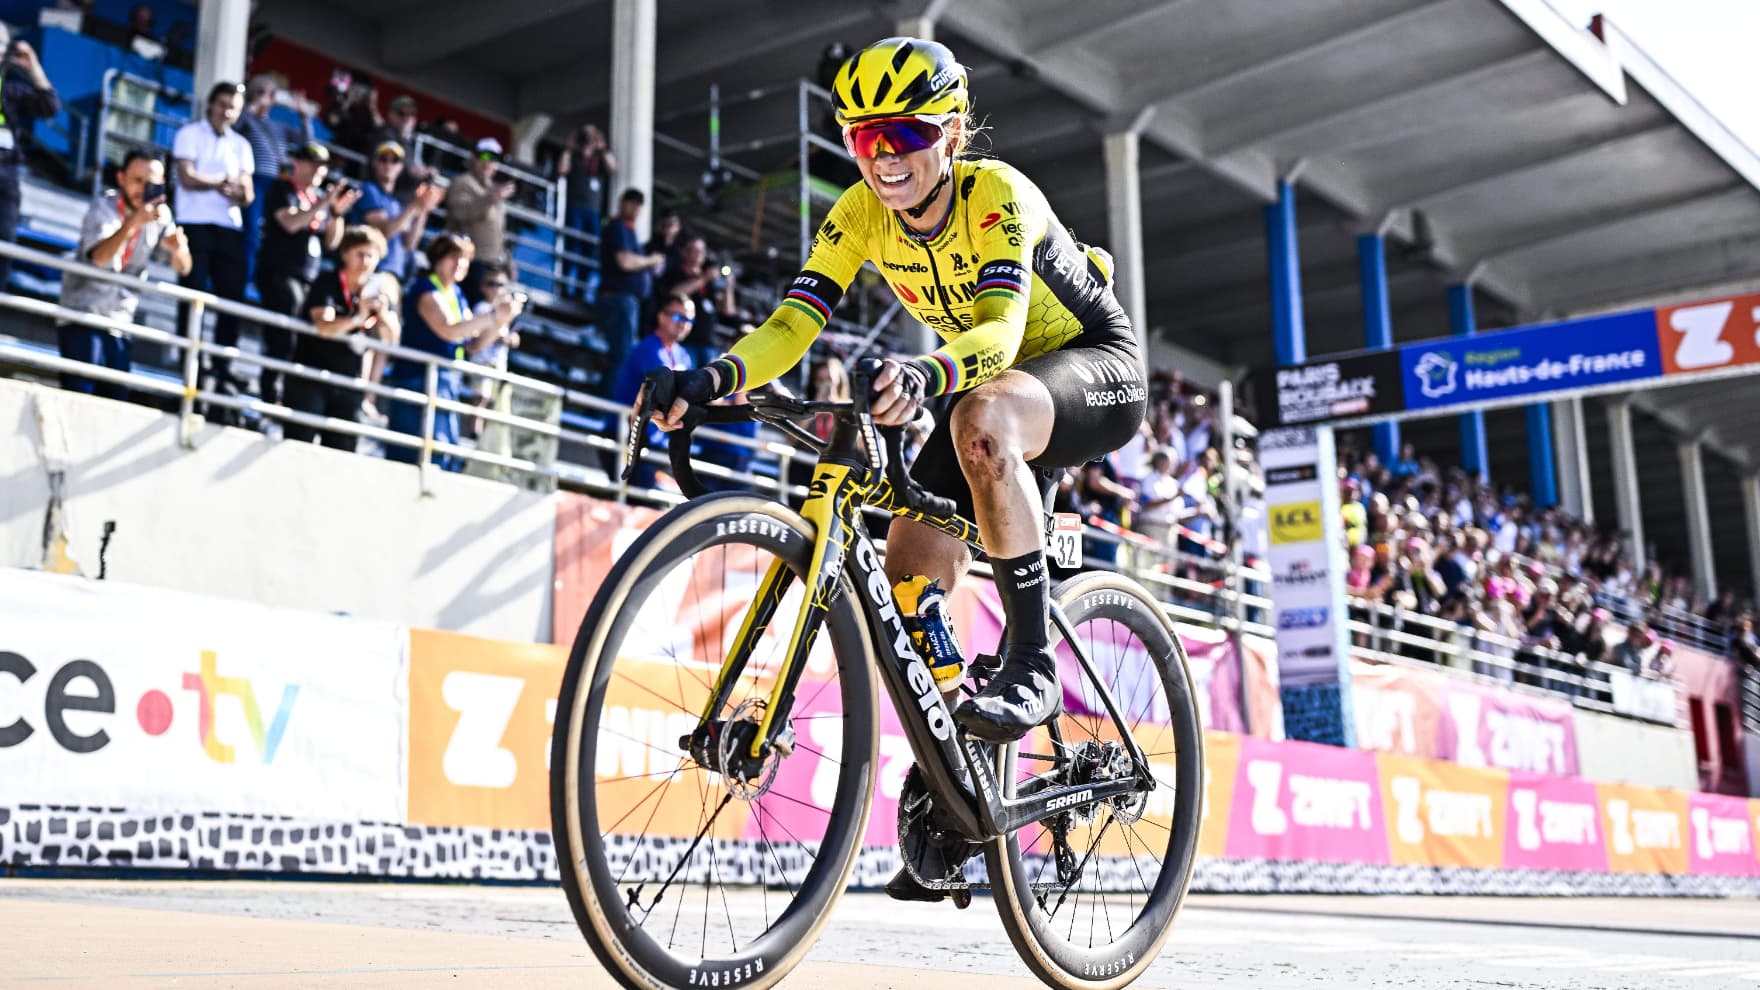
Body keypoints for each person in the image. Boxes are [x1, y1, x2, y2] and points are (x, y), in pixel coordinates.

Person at [642, 38, 1144, 760]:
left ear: (953, 134)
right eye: (864, 137)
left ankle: (1032, 661)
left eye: (908, 133)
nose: (885, 155)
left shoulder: (998, 194)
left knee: (982, 413)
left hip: (1091, 366)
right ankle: (952, 785)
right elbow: (790, 325)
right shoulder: (859, 213)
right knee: (906, 577)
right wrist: (711, 378)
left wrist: (920, 374)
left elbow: (1000, 335)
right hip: (985, 384)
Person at [57, 150, 192, 398]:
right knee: (79, 400)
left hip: (120, 324)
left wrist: (179, 249)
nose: (143, 189)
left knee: (115, 403)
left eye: (151, 183)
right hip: (83, 316)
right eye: (137, 180)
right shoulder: (104, 206)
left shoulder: (161, 216)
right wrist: (132, 224)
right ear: (121, 178)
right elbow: (99, 257)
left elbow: (184, 268)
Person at [384, 234, 522, 471]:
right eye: (453, 257)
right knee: (409, 457)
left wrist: (501, 320)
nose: (460, 263)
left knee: (443, 455)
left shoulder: (457, 295)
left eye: (465, 259)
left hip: (447, 382)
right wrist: (492, 316)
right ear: (438, 258)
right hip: (417, 379)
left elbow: (474, 344)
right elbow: (448, 331)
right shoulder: (425, 288)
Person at [255, 143, 359, 406]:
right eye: (312, 164)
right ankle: (271, 394)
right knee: (282, 337)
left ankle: (287, 394)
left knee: (300, 340)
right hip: (280, 272)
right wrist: (324, 203)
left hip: (307, 277)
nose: (318, 171)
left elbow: (333, 242)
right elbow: (289, 223)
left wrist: (335, 213)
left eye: (322, 167)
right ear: (297, 163)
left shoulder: (316, 199)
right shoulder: (283, 189)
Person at [172, 81, 254, 392]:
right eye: (221, 104)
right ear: (210, 104)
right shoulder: (189, 134)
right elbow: (187, 177)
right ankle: (187, 358)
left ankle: (223, 366)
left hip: (229, 229)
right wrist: (223, 182)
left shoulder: (242, 146)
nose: (226, 111)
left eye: (232, 106)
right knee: (193, 294)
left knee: (231, 299)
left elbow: (247, 193)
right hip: (194, 224)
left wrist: (238, 189)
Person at [288, 225, 391, 449]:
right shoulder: (327, 281)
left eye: (371, 255)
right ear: (345, 254)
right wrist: (358, 317)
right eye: (359, 254)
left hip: (348, 383)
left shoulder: (376, 292)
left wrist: (383, 314)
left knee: (342, 452)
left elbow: (391, 339)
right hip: (311, 376)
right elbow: (324, 327)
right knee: (298, 446)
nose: (365, 261)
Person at [235, 75, 314, 290]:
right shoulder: (247, 119)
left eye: (270, 94)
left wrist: (304, 115)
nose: (266, 97)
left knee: (270, 233)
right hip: (256, 180)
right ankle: (246, 277)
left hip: (277, 183)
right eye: (261, 92)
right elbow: (233, 127)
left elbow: (305, 142)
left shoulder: (278, 126)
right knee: (251, 230)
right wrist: (250, 107)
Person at [614, 293, 697, 490]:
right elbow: (669, 392)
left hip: (658, 443)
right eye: (678, 317)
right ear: (661, 316)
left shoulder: (684, 355)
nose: (683, 324)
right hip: (629, 438)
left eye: (689, 319)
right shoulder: (647, 349)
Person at [0, 28, 60, 289]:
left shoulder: (11, 89)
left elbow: (50, 106)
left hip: (6, 174)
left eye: (1, 42)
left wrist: (33, 68)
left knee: (4, 242)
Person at [351, 140, 444, 283]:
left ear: (400, 167)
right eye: (383, 159)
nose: (388, 165)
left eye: (394, 160)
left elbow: (409, 243)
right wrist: (414, 205)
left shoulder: (396, 204)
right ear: (375, 162)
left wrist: (424, 208)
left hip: (394, 275)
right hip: (371, 270)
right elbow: (384, 231)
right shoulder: (368, 190)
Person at [598, 188, 666, 375]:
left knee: (623, 357)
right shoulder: (617, 227)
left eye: (639, 203)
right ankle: (609, 402)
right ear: (623, 203)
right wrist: (652, 260)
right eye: (632, 202)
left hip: (626, 301)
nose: (636, 207)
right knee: (621, 358)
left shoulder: (629, 230)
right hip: (618, 300)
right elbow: (625, 262)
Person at [443, 137, 515, 303]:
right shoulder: (462, 182)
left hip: (493, 266)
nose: (487, 162)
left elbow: (499, 232)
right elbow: (459, 213)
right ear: (473, 158)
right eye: (483, 157)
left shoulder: (494, 190)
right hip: (468, 263)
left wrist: (509, 261)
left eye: (493, 159)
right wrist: (489, 198)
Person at [555, 123, 614, 297]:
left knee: (590, 250)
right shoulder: (573, 156)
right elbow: (561, 169)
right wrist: (568, 146)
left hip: (593, 212)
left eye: (591, 134)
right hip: (575, 207)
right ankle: (565, 287)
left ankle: (581, 290)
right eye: (585, 134)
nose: (588, 137)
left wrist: (602, 147)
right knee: (572, 246)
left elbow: (612, 168)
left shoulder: (599, 159)